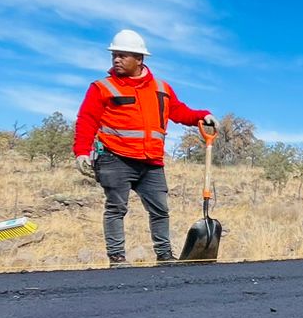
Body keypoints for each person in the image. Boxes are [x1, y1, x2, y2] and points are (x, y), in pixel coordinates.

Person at [73, 30, 215, 266]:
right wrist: (81, 152)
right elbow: (86, 120)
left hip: (151, 161)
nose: (116, 60)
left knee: (160, 209)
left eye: (122, 55)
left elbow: (179, 111)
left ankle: (164, 256)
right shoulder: (102, 87)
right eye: (114, 55)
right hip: (115, 157)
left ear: (139, 59)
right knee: (116, 208)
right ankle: (117, 258)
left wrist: (203, 116)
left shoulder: (161, 88)